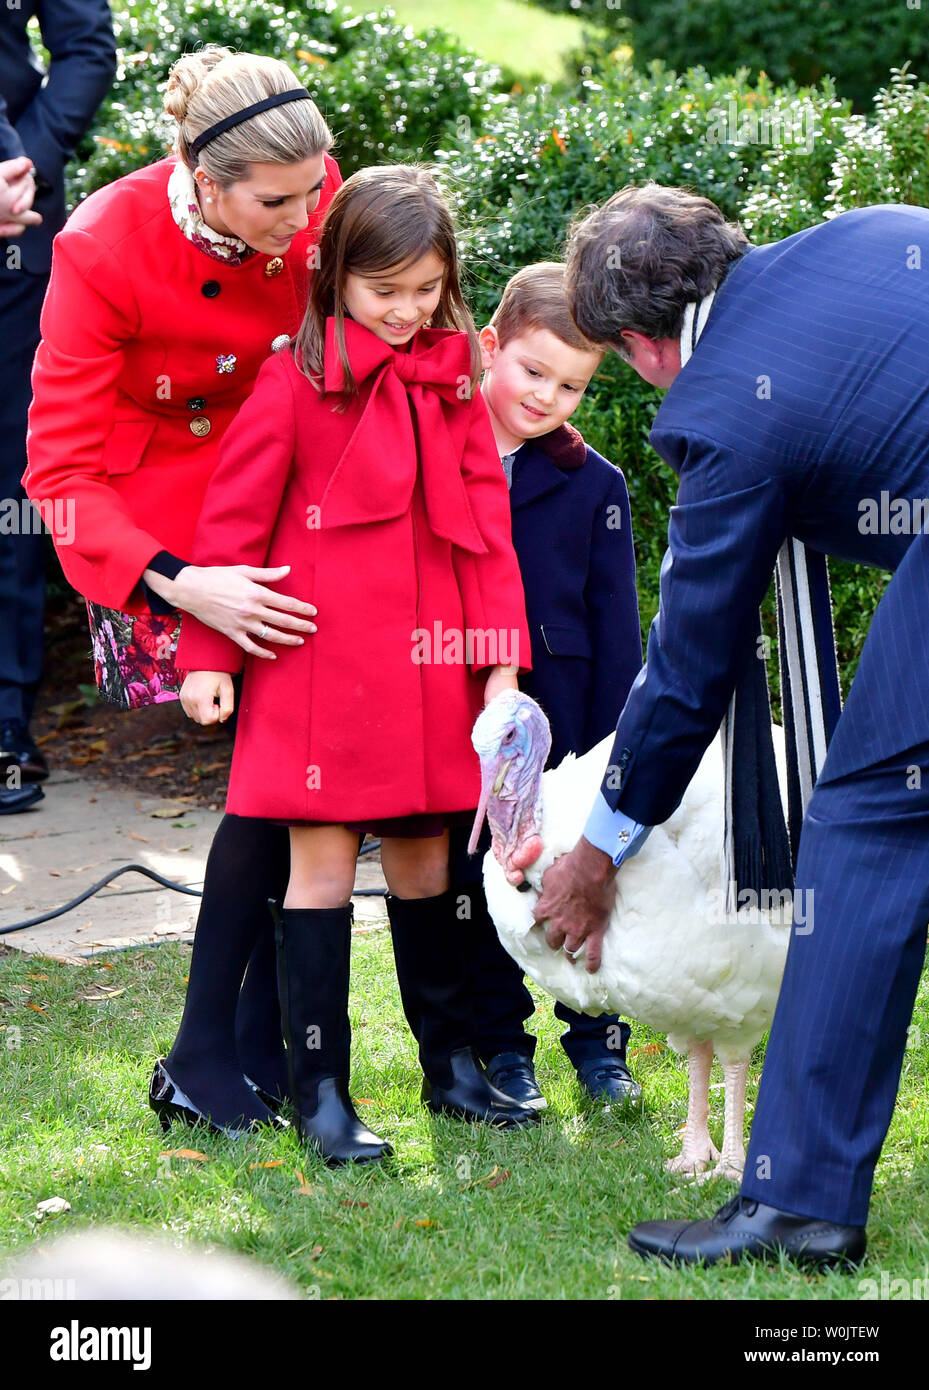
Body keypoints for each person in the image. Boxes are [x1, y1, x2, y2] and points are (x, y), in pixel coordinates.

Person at [535, 181, 929, 1268]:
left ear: (635, 343)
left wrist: (598, 844)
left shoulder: (724, 413)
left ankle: (795, 1205)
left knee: (871, 819)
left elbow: (688, 665)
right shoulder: (866, 233)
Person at [174, 164, 543, 1164]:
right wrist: (209, 654)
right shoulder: (288, 382)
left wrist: (498, 665)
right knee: (321, 868)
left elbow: (488, 533)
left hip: (433, 675)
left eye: (426, 290)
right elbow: (230, 524)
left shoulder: (452, 377)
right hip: (315, 668)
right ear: (333, 275)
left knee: (428, 861)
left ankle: (451, 1067)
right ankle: (319, 1091)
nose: (407, 310)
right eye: (386, 292)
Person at [24, 45, 342, 1135]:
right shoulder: (101, 244)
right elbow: (57, 482)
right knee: (271, 772)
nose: (303, 222)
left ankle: (240, 1048)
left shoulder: (311, 191)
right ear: (205, 182)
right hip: (160, 526)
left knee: (301, 771)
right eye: (275, 203)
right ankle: (218, 1050)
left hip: (293, 494)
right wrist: (181, 582)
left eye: (314, 192)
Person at [449, 262, 644, 1109]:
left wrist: (612, 748)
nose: (545, 397)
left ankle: (598, 1040)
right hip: (458, 711)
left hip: (565, 722)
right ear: (488, 347)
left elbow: (617, 628)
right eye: (532, 371)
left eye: (569, 386)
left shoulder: (594, 484)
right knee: (482, 884)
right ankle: (499, 1043)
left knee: (569, 873)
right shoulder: (435, 453)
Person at [0, 0, 116, 814]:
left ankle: (6, 731)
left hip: (18, 227)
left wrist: (22, 168)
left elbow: (85, 45)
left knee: (14, 493)